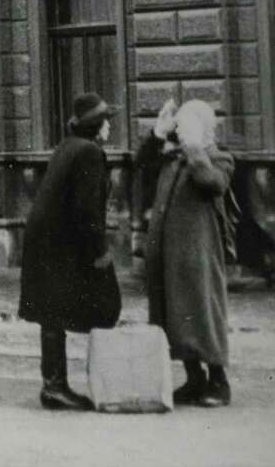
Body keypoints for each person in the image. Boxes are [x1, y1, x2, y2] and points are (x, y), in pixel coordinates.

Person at [18, 91, 121, 410]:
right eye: (107, 122)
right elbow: (87, 210)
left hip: (46, 241)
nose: (110, 127)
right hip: (59, 244)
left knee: (51, 310)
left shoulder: (68, 146)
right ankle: (55, 387)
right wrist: (99, 252)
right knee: (61, 307)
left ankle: (53, 385)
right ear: (97, 126)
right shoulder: (89, 152)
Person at [137, 97, 235, 407]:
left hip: (199, 255)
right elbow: (142, 164)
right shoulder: (171, 159)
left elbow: (212, 183)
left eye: (185, 125)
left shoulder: (218, 158)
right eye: (179, 126)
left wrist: (194, 147)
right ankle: (194, 378)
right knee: (173, 315)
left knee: (203, 312)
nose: (179, 132)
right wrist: (158, 131)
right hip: (168, 254)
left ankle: (219, 381)